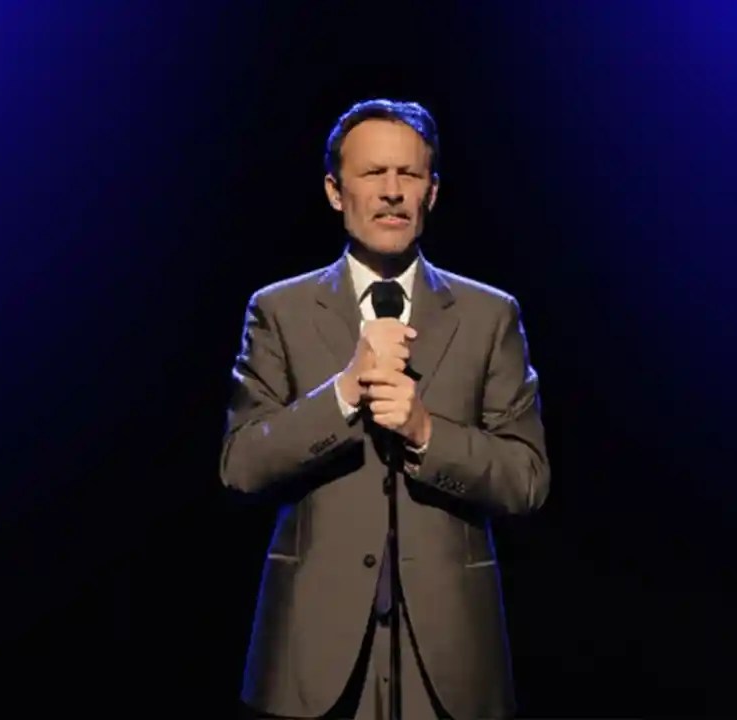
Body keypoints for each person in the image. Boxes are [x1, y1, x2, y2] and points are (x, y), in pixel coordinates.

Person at [219, 98, 550, 720]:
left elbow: (527, 479)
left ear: (432, 192)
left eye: (409, 174)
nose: (392, 191)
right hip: (312, 649)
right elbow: (241, 466)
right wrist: (344, 393)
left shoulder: (489, 315)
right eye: (373, 173)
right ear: (335, 191)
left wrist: (427, 432)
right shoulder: (280, 311)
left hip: (449, 653)